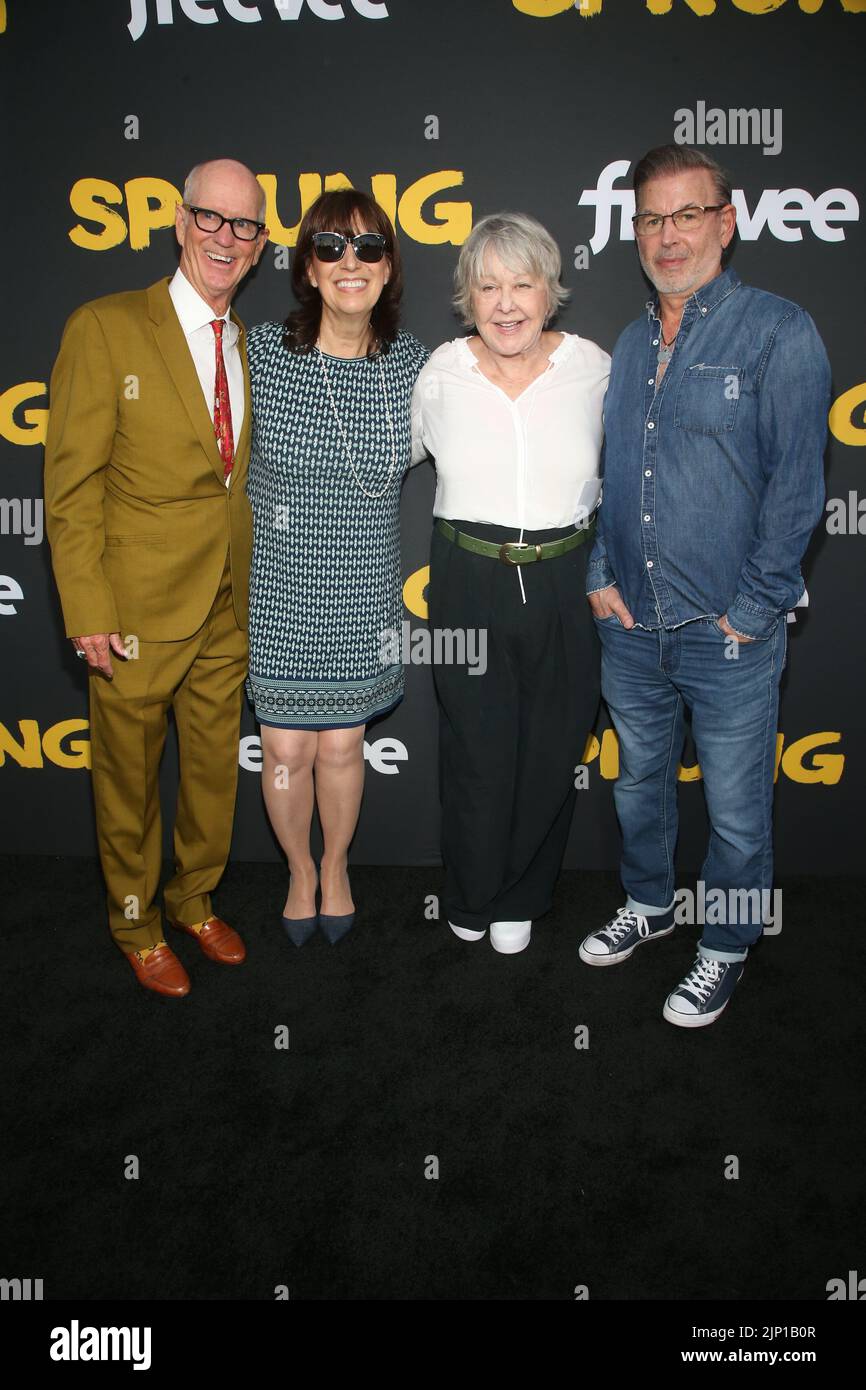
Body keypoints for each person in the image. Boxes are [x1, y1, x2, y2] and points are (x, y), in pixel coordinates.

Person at [580, 144, 830, 1026]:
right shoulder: (628, 337)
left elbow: (800, 489)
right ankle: (649, 907)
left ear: (726, 222)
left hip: (728, 632)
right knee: (638, 787)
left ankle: (725, 947)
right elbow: (613, 473)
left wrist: (755, 611)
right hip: (631, 627)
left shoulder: (778, 331)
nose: (668, 235)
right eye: (651, 218)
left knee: (736, 810)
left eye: (688, 215)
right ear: (634, 231)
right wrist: (602, 575)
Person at [44, 158, 269, 997]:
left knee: (211, 769)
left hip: (226, 603)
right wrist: (87, 606)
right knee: (130, 780)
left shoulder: (246, 340)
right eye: (210, 219)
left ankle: (194, 900)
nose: (225, 237)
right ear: (179, 223)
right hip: (133, 609)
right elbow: (70, 488)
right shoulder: (105, 327)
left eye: (243, 227)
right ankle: (136, 921)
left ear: (256, 249)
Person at [412, 212, 610, 954]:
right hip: (467, 576)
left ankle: (523, 894)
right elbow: (380, 464)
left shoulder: (593, 367)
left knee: (555, 747)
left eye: (521, 284)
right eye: (487, 285)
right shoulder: (440, 373)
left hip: (567, 577)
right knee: (475, 747)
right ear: (468, 294)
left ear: (548, 291)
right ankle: (469, 890)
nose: (505, 303)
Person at [246, 190, 427, 946]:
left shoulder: (416, 367)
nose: (349, 262)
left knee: (344, 745)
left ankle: (339, 865)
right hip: (282, 591)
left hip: (364, 592)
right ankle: (298, 869)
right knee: (285, 747)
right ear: (308, 271)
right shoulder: (259, 353)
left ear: (388, 269)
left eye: (367, 249)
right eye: (329, 248)